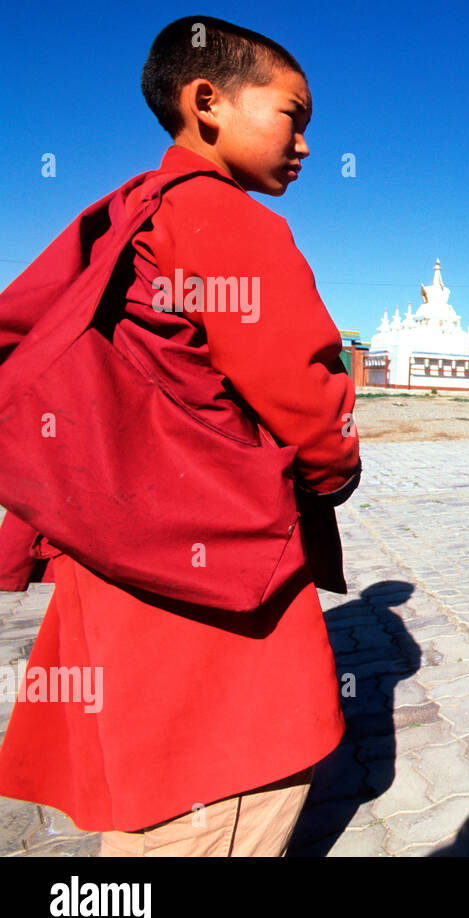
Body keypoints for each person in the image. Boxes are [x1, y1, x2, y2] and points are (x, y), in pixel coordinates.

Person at [0, 17, 360, 855]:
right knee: (229, 779)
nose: (305, 144)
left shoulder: (135, 207)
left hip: (131, 532)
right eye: (292, 116)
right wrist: (336, 468)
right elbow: (300, 387)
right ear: (207, 102)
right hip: (213, 555)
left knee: (152, 767)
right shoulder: (217, 213)